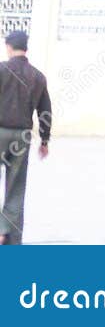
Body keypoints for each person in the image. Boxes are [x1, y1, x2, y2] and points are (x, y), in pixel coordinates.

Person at [0, 30, 50, 246]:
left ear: (9, 47)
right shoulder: (38, 76)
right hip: (21, 137)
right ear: (26, 48)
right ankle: (8, 236)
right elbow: (45, 111)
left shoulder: (1, 70)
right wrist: (45, 141)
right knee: (16, 188)